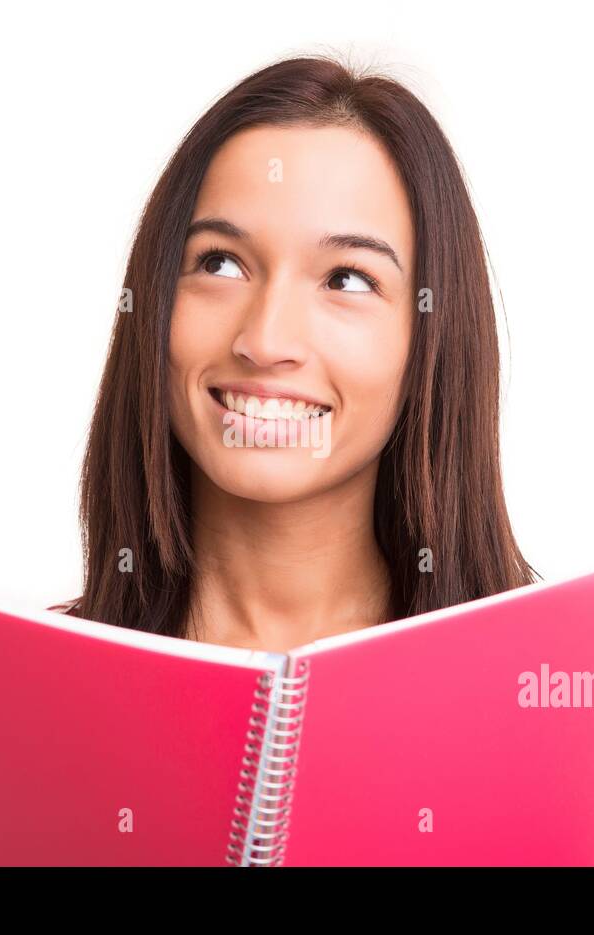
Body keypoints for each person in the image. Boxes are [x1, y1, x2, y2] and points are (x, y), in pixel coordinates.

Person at [50, 54, 537, 651]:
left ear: (433, 338)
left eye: (347, 280)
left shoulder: (535, 684)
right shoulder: (24, 676)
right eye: (219, 263)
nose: (265, 341)